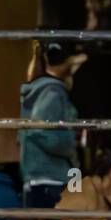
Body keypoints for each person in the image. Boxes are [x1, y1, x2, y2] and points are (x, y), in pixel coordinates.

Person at [19, 40, 87, 209]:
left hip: (56, 175)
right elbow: (39, 129)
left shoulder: (42, 89)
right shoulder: (52, 91)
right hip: (51, 178)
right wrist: (73, 144)